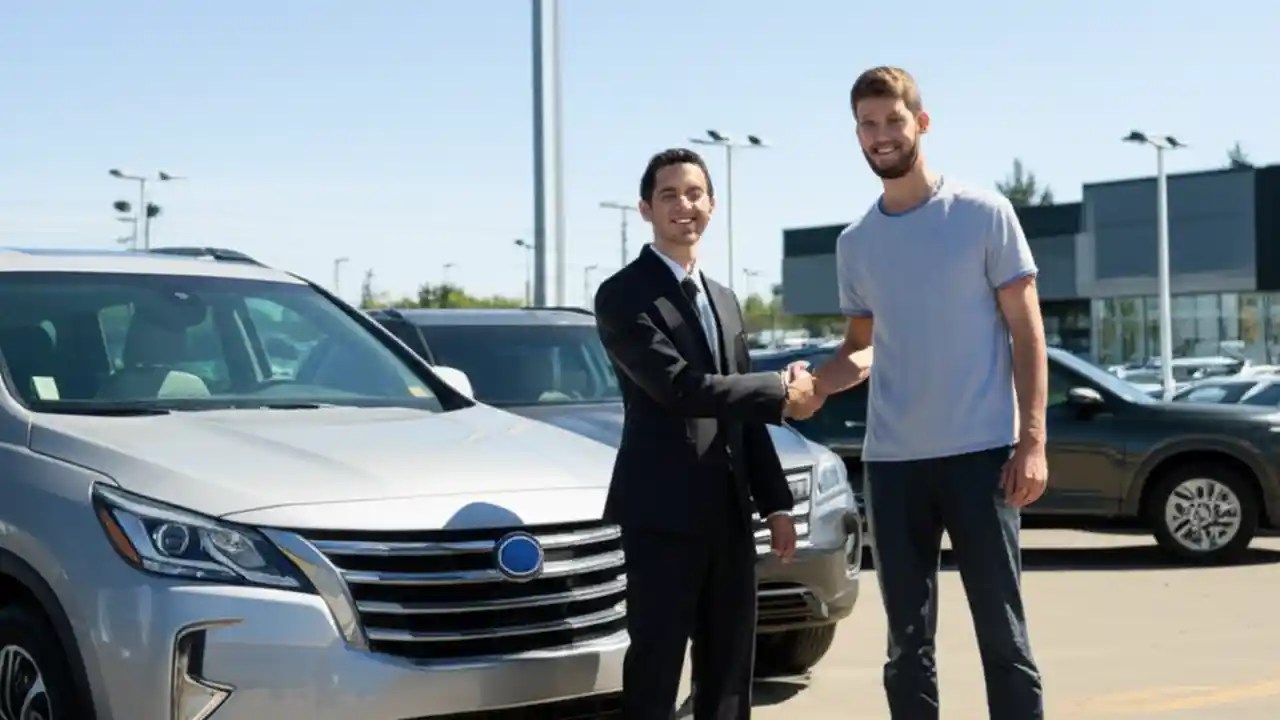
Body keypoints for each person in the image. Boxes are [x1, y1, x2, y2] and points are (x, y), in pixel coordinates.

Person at [808, 66, 1048, 719]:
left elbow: (1027, 335)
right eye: (868, 124)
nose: (881, 135)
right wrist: (813, 387)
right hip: (892, 467)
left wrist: (1032, 443)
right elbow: (860, 349)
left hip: (981, 458)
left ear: (921, 122)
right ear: (856, 133)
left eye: (892, 120)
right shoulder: (855, 243)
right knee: (905, 646)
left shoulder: (982, 214)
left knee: (1003, 637)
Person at [593, 147, 824, 720]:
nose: (683, 205)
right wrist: (780, 391)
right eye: (668, 195)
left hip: (729, 516)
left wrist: (774, 503)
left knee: (728, 674)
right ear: (646, 209)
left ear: (712, 205)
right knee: (656, 669)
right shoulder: (623, 295)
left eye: (694, 193)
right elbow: (679, 389)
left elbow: (739, 410)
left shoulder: (723, 300)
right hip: (661, 517)